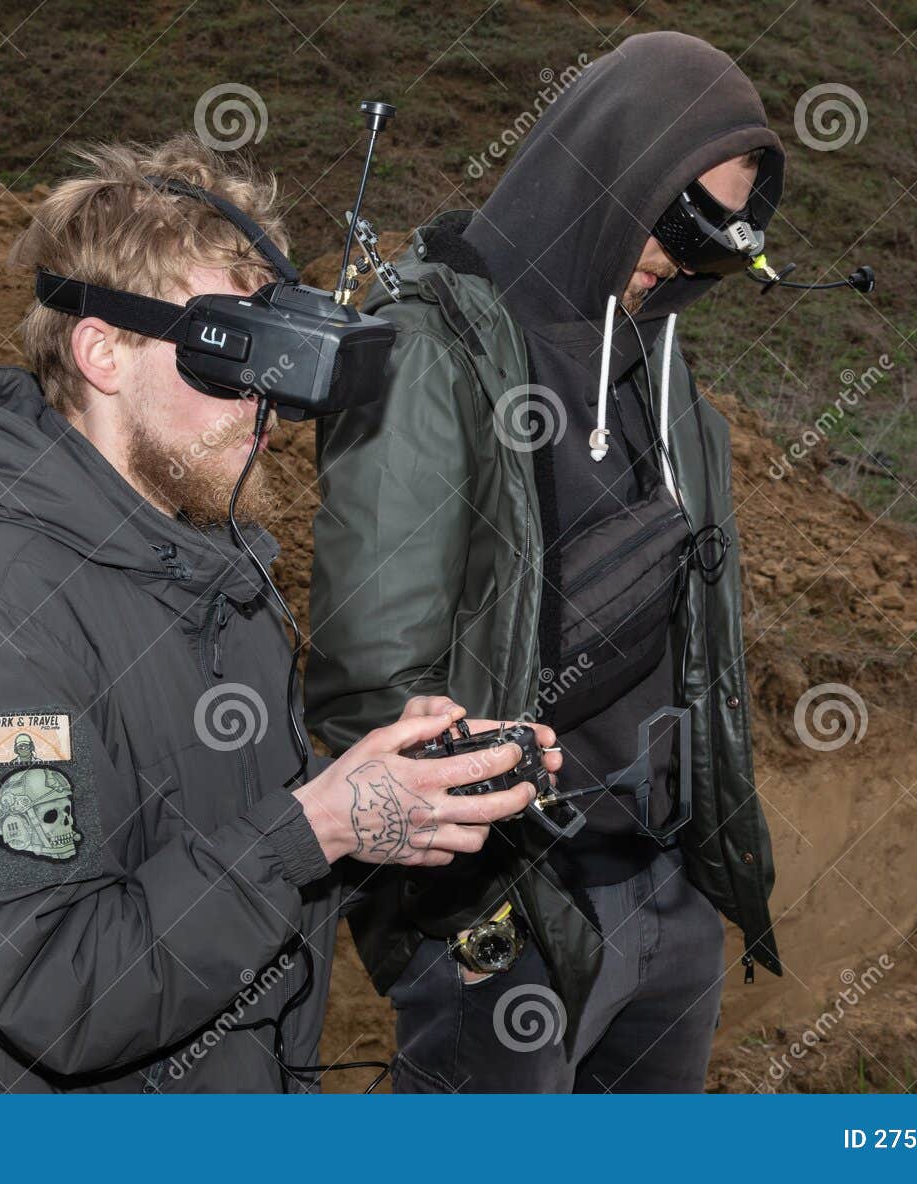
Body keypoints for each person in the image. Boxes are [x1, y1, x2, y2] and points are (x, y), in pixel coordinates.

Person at [0, 135, 551, 1092]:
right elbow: (61, 991)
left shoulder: (212, 581)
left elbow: (229, 863)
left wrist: (381, 799)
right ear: (102, 351)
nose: (262, 399)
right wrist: (316, 827)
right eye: (226, 356)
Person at [307, 31, 782, 1092]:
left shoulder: (662, 369)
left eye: (713, 237)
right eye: (670, 215)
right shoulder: (430, 348)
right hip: (513, 905)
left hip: (667, 887)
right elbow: (370, 677)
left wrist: (702, 862)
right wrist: (479, 906)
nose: (678, 258)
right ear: (602, 166)